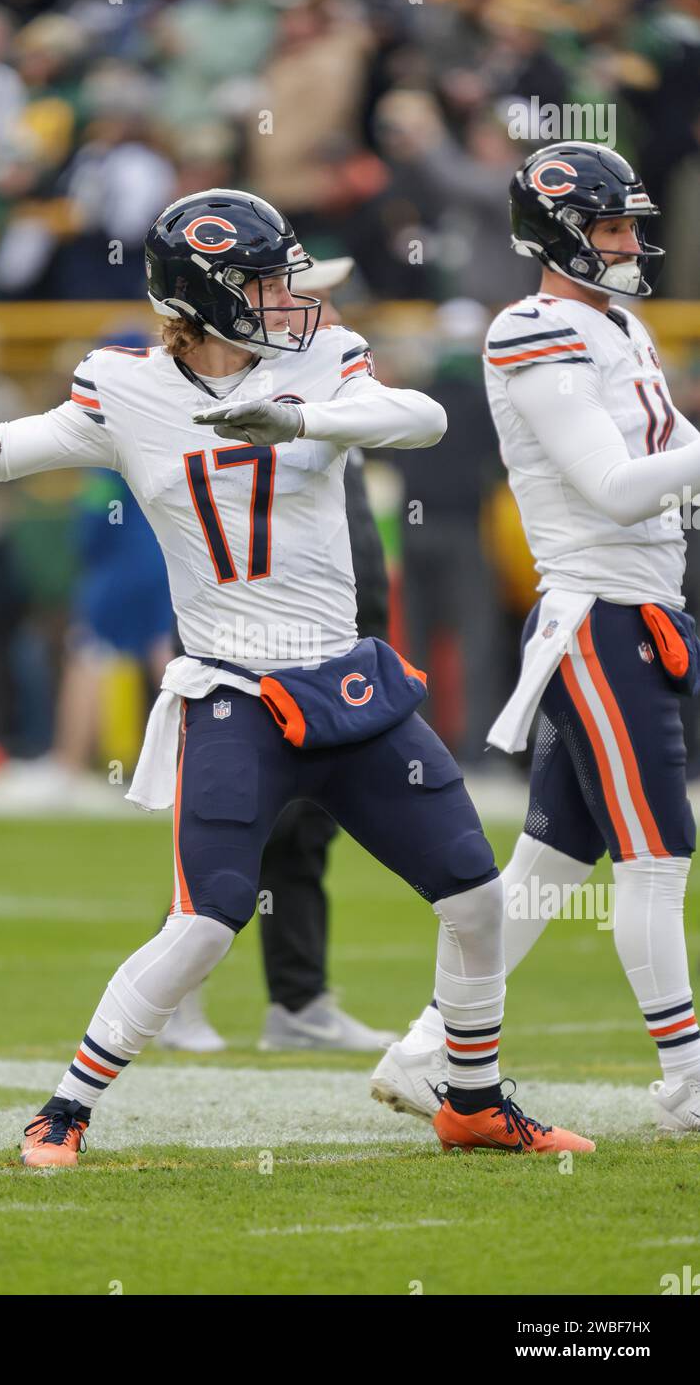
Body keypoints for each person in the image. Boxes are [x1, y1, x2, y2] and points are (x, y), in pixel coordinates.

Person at [0, 188, 593, 1163]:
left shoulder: (319, 360)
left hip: (348, 687)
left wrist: (304, 423)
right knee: (205, 923)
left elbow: (417, 420)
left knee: (473, 896)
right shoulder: (125, 388)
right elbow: (0, 456)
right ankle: (64, 1108)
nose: (287, 295)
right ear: (203, 298)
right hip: (233, 695)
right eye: (263, 280)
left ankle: (472, 1097)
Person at [371, 143, 700, 1134]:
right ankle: (689, 1081)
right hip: (597, 617)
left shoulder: (616, 324)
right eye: (608, 227)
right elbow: (609, 482)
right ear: (559, 235)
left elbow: (672, 445)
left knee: (551, 865)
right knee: (657, 856)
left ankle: (425, 1045)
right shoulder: (533, 326)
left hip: (637, 610)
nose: (628, 243)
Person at [157, 254, 396, 1054]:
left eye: (316, 302)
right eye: (292, 299)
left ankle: (298, 1000)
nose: (309, 314)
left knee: (308, 826)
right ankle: (173, 997)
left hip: (335, 637)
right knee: (229, 823)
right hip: (240, 646)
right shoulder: (235, 396)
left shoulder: (336, 387)